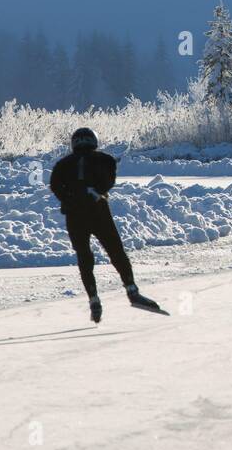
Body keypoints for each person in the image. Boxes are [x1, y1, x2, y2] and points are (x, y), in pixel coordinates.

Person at [49, 127, 160, 322]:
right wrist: (95, 191)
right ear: (94, 141)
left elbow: (55, 186)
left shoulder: (62, 164)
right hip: (98, 211)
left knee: (84, 257)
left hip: (75, 216)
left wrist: (70, 198)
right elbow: (108, 181)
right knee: (116, 252)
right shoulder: (105, 159)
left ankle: (93, 299)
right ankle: (132, 291)